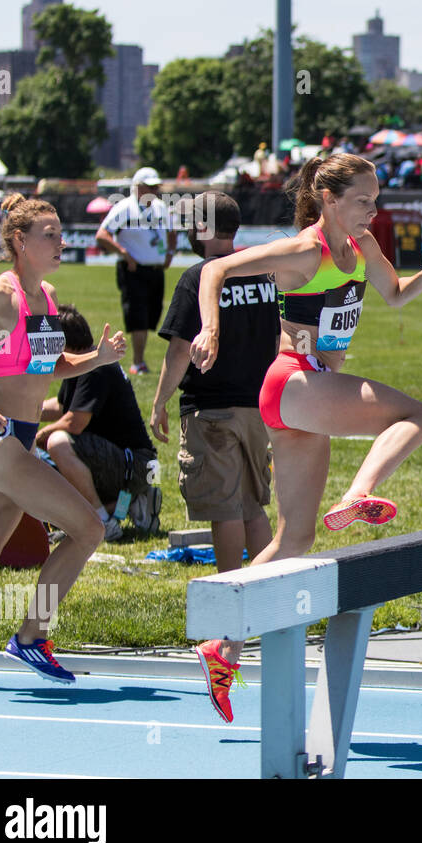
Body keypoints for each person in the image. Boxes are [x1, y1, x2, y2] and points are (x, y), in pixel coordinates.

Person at [187, 152, 422, 722]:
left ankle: (222, 644)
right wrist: (211, 327)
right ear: (329, 199)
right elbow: (215, 270)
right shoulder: (305, 251)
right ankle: (360, 493)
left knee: (295, 541)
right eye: (363, 200)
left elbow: (398, 294)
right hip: (293, 380)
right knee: (418, 416)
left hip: (307, 395)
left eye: (376, 199)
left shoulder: (364, 249)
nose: (373, 210)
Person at [0, 194, 125, 685]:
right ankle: (30, 637)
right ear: (19, 242)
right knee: (89, 530)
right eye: (48, 234)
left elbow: (51, 366)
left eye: (59, 232)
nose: (60, 240)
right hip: (0, 442)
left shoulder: (46, 296)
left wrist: (98, 358)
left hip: (19, 445)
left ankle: (25, 638)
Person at [151, 192, 278, 573]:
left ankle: (232, 602)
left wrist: (159, 403)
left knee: (225, 511)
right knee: (253, 508)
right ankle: (271, 595)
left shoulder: (198, 277)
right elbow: (274, 340)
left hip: (212, 410)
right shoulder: (262, 272)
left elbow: (179, 351)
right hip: (258, 407)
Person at [36, 305, 159, 542]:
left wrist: (36, 437)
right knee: (49, 456)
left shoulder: (95, 369)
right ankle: (129, 504)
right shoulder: (84, 363)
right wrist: (18, 410)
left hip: (140, 466)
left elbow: (74, 423)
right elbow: (61, 407)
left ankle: (103, 522)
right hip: (129, 464)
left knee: (57, 443)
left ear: (63, 346)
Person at [94, 166, 174, 376]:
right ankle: (138, 362)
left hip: (156, 270)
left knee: (152, 316)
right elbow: (102, 234)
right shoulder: (125, 208)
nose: (155, 191)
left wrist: (170, 253)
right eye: (151, 187)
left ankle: (141, 360)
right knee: (138, 316)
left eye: (156, 187)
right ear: (138, 187)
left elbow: (172, 231)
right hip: (134, 270)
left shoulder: (160, 207)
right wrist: (124, 253)